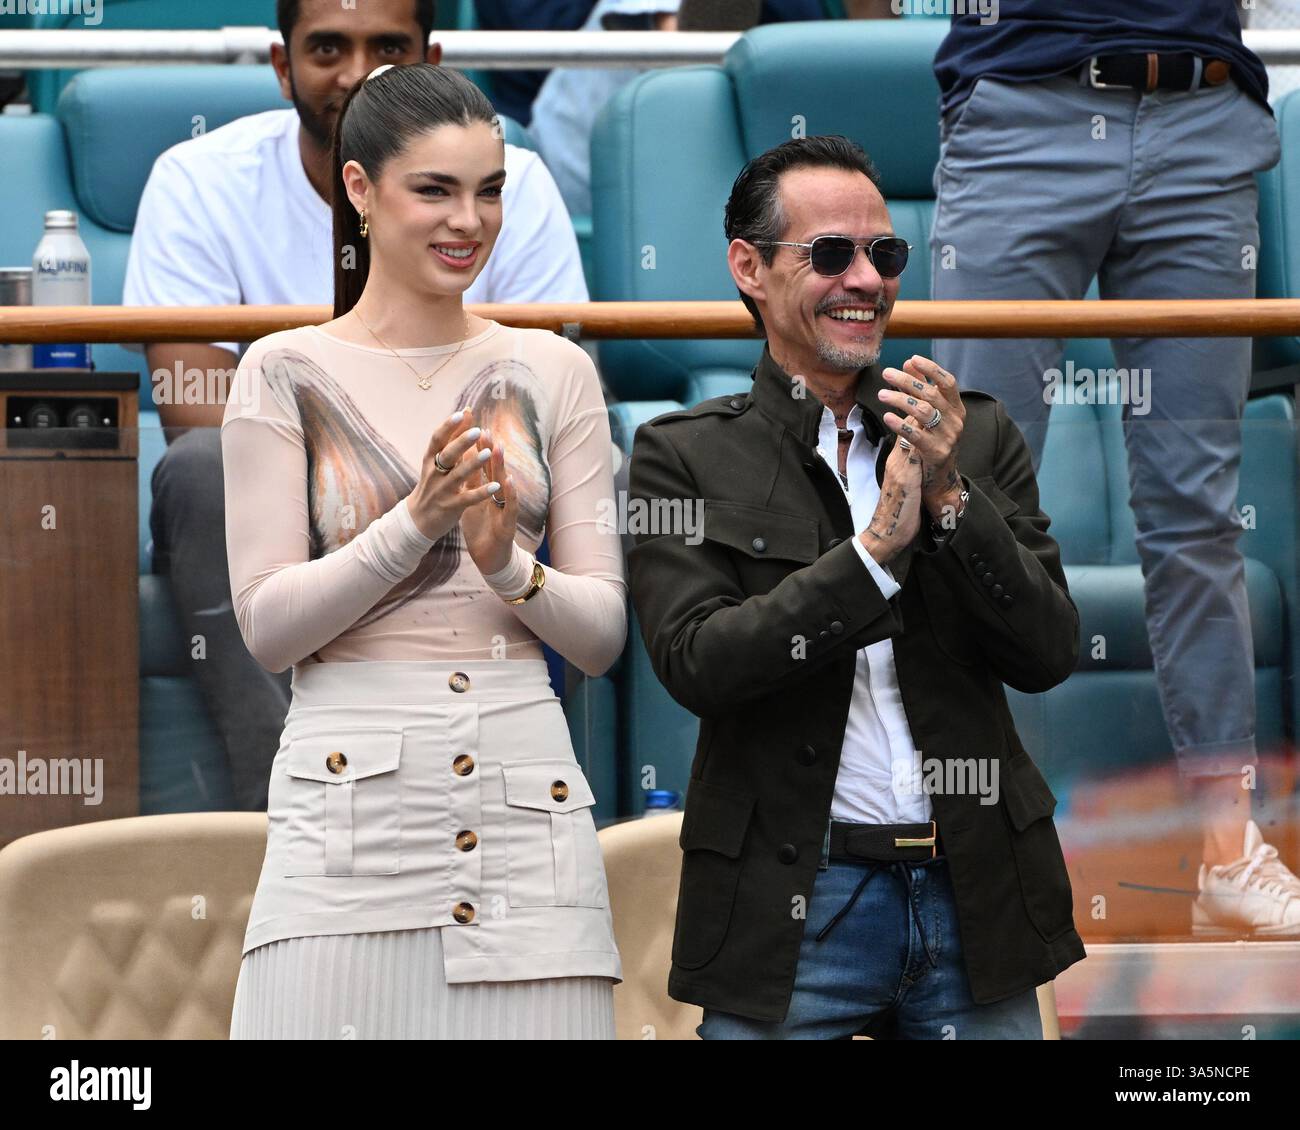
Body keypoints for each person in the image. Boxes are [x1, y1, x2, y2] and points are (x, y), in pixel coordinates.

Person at [626, 135, 1084, 1038]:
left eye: (885, 254)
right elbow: (697, 662)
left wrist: (953, 496)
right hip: (793, 907)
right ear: (749, 268)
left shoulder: (972, 437)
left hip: (975, 894)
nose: (866, 280)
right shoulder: (679, 455)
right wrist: (874, 554)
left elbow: (1049, 651)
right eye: (830, 254)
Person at [223, 61, 625, 1039]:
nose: (468, 221)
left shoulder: (557, 369)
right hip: (344, 824)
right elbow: (269, 625)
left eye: (489, 190)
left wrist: (505, 566)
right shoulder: (281, 370)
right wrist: (415, 525)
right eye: (434, 190)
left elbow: (603, 634)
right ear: (360, 190)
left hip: (530, 810)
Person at [123, 0, 587, 811]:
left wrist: (417, 491)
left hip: (473, 492)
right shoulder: (196, 179)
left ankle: (517, 788)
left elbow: (532, 413)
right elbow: (194, 406)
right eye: (329, 47)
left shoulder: (516, 181)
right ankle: (284, 808)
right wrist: (383, 492)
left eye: (389, 47)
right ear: (281, 64)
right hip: (292, 489)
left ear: (433, 55)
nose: (359, 72)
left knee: (590, 466)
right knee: (200, 466)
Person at [930, 3, 1300, 936]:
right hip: (1025, 105)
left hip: (1205, 114)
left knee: (1199, 513)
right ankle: (958, 838)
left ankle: (1227, 851)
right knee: (966, 493)